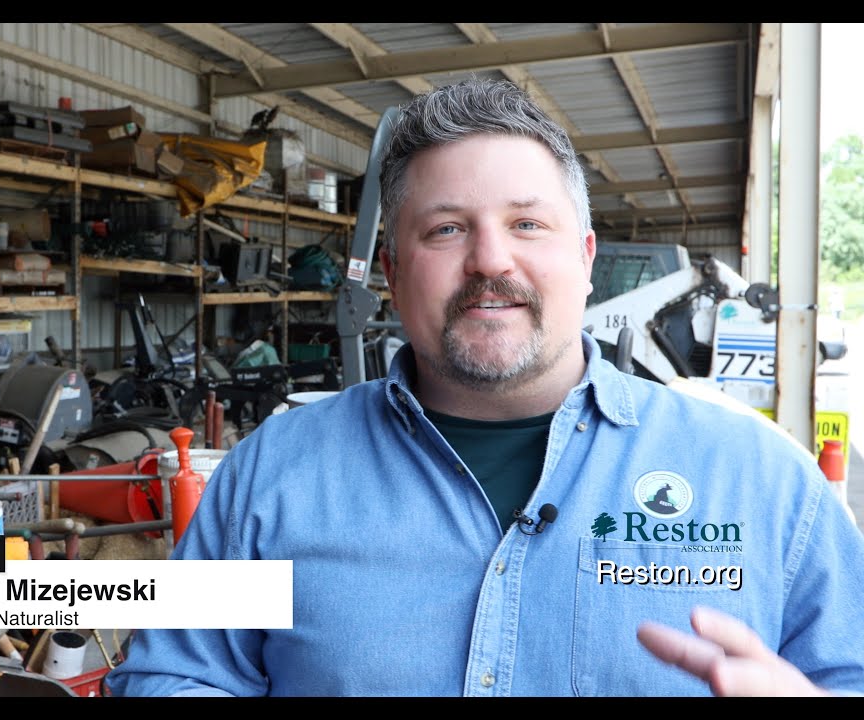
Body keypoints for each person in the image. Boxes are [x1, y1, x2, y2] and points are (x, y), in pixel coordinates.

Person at [102, 78, 864, 697]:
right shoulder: (276, 478)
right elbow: (182, 671)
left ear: (585, 257)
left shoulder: (762, 484)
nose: (490, 260)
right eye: (445, 229)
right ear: (393, 274)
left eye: (528, 224)